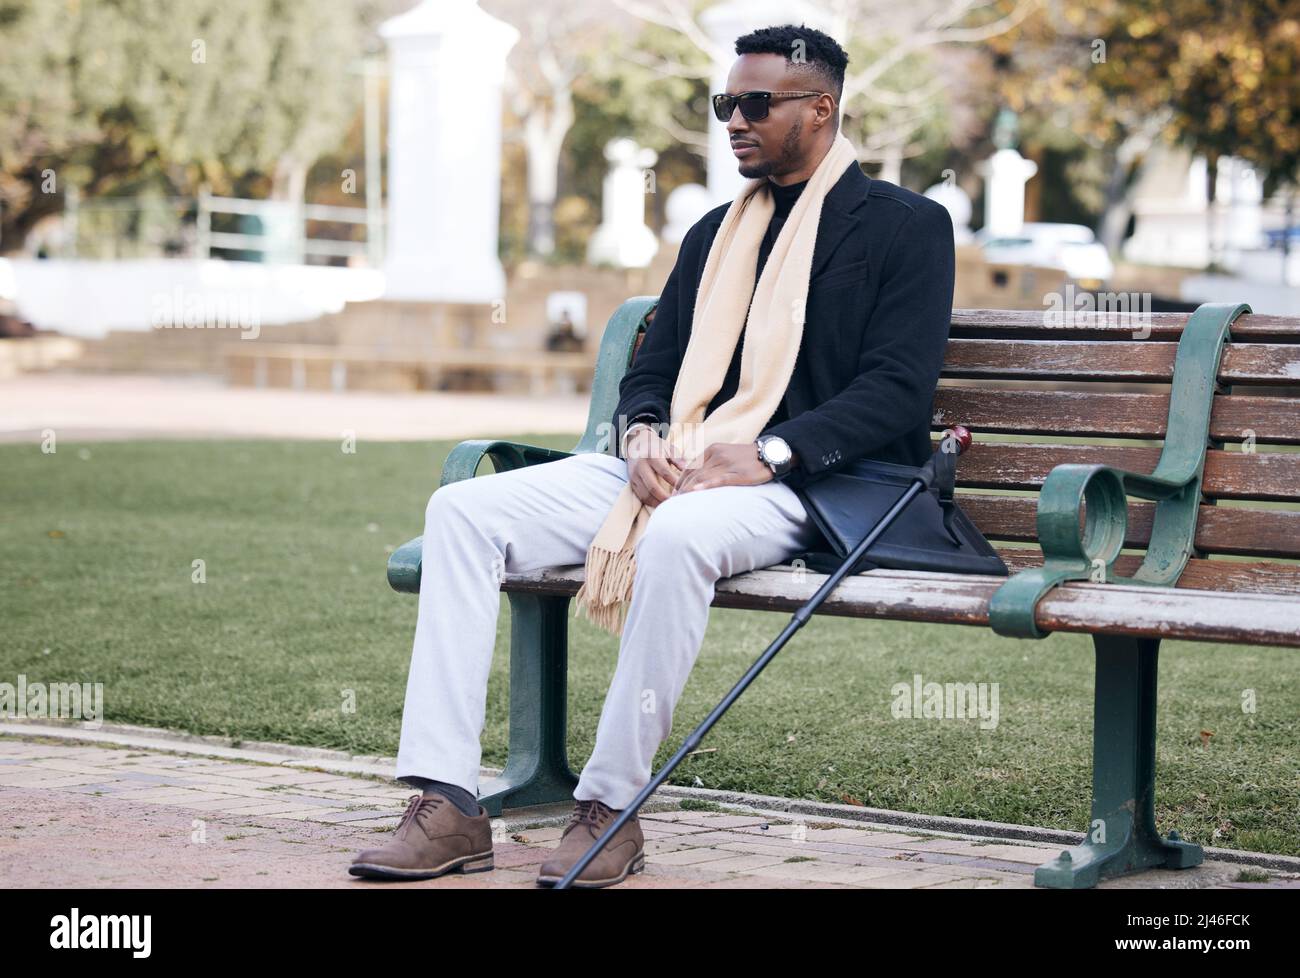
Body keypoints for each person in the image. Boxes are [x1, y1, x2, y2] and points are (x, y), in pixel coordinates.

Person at [349, 23, 955, 889]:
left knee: (679, 536)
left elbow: (897, 390)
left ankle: (608, 812)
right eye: (725, 105)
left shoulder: (906, 228)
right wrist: (639, 439)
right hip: (677, 461)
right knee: (463, 511)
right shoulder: (714, 233)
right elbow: (654, 368)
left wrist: (770, 452)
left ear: (820, 109)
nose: (733, 121)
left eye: (754, 104)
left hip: (814, 485)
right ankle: (447, 801)